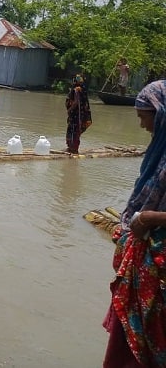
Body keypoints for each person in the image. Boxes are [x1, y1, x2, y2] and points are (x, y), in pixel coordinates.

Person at [102, 80, 166, 367]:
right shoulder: (158, 152)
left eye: (144, 117)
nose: (142, 125)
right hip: (143, 259)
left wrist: (151, 217)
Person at [65, 74, 92, 154]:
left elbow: (76, 102)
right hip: (79, 114)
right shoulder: (83, 89)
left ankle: (73, 149)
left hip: (76, 114)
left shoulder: (77, 89)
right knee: (75, 130)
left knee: (73, 130)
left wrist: (69, 109)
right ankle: (72, 148)